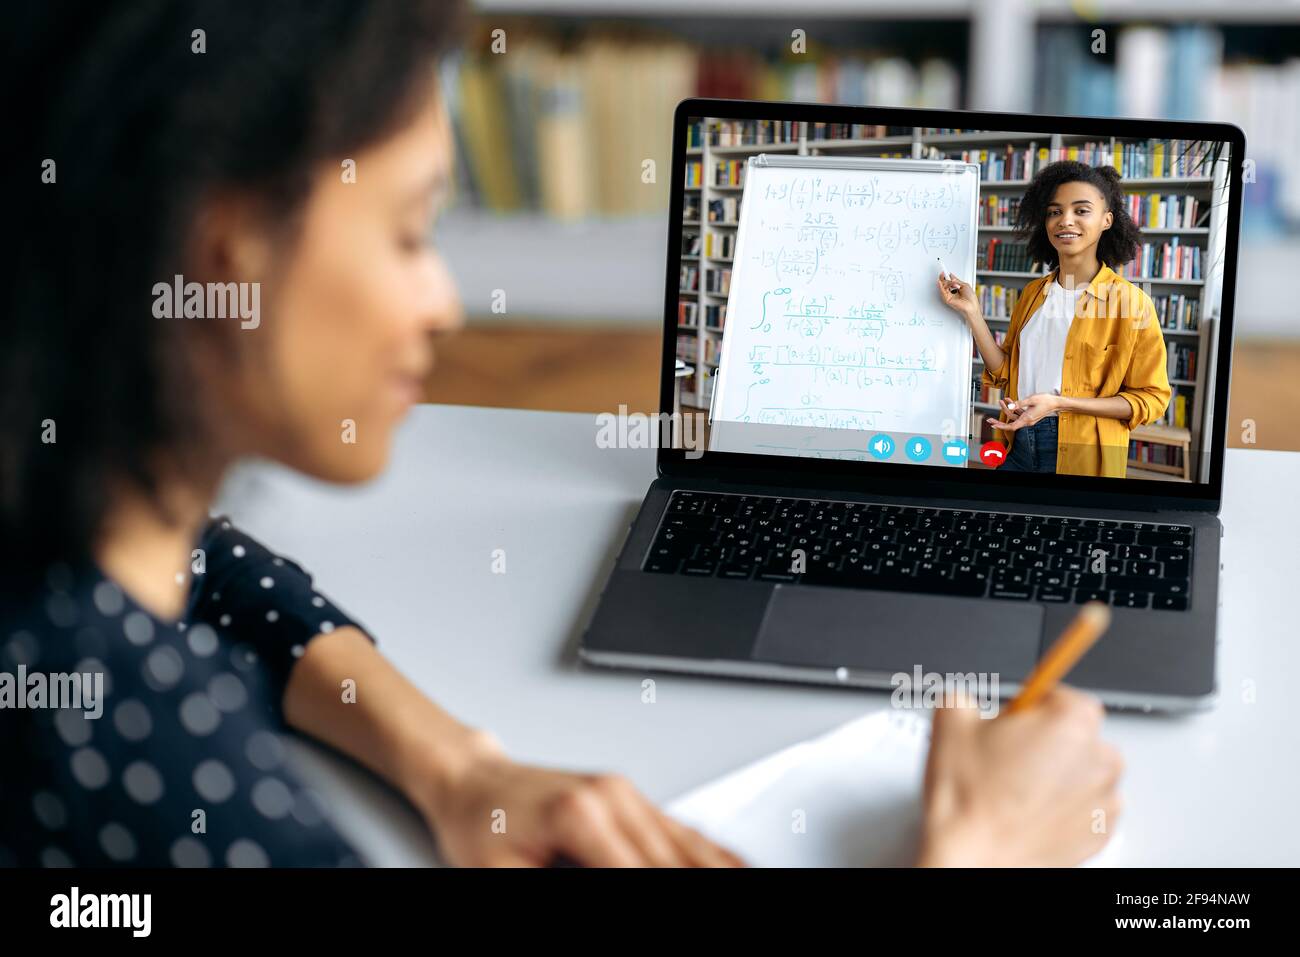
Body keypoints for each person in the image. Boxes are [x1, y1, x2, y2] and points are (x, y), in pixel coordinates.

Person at [1, 0, 1121, 868]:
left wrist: (460, 768)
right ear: (223, 254)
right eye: (408, 232)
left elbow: (214, 568)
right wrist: (983, 853)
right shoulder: (137, 759)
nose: (443, 300)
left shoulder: (70, 512)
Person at [938, 161, 1171, 477]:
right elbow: (1005, 370)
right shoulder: (1034, 292)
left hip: (1081, 455)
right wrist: (973, 313)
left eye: (1081, 210)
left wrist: (1060, 404)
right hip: (1018, 441)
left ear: (1106, 220)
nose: (1066, 221)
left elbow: (1151, 399)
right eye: (1054, 211)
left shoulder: (1132, 303)